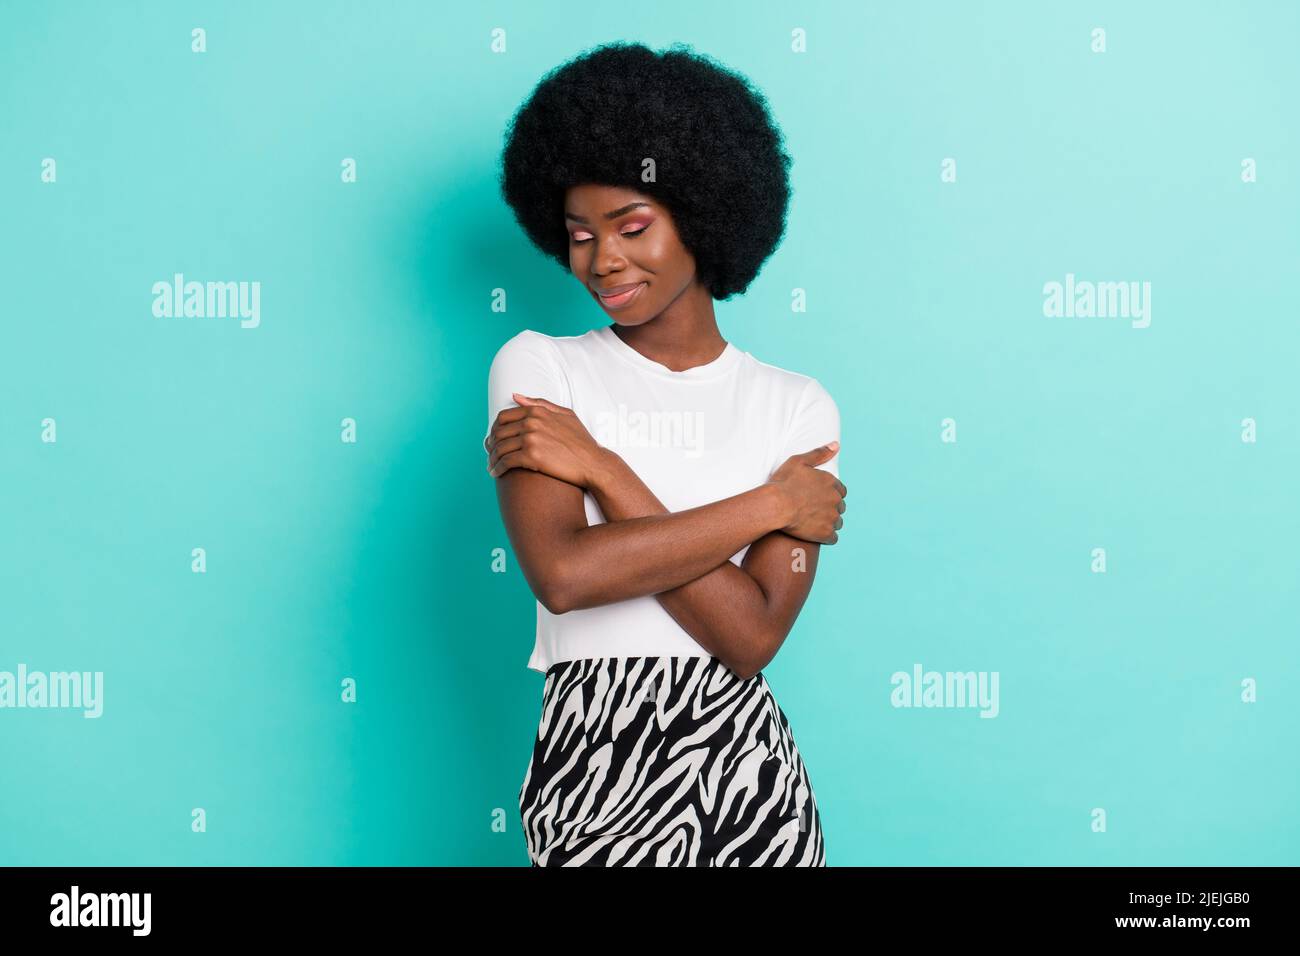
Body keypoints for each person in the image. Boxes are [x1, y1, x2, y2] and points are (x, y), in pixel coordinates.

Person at [484, 41, 847, 866]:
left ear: (706, 212)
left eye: (632, 226)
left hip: (746, 775)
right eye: (580, 235)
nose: (603, 260)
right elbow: (567, 575)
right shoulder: (540, 367)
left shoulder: (797, 406)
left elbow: (750, 639)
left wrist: (604, 471)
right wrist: (772, 507)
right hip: (596, 762)